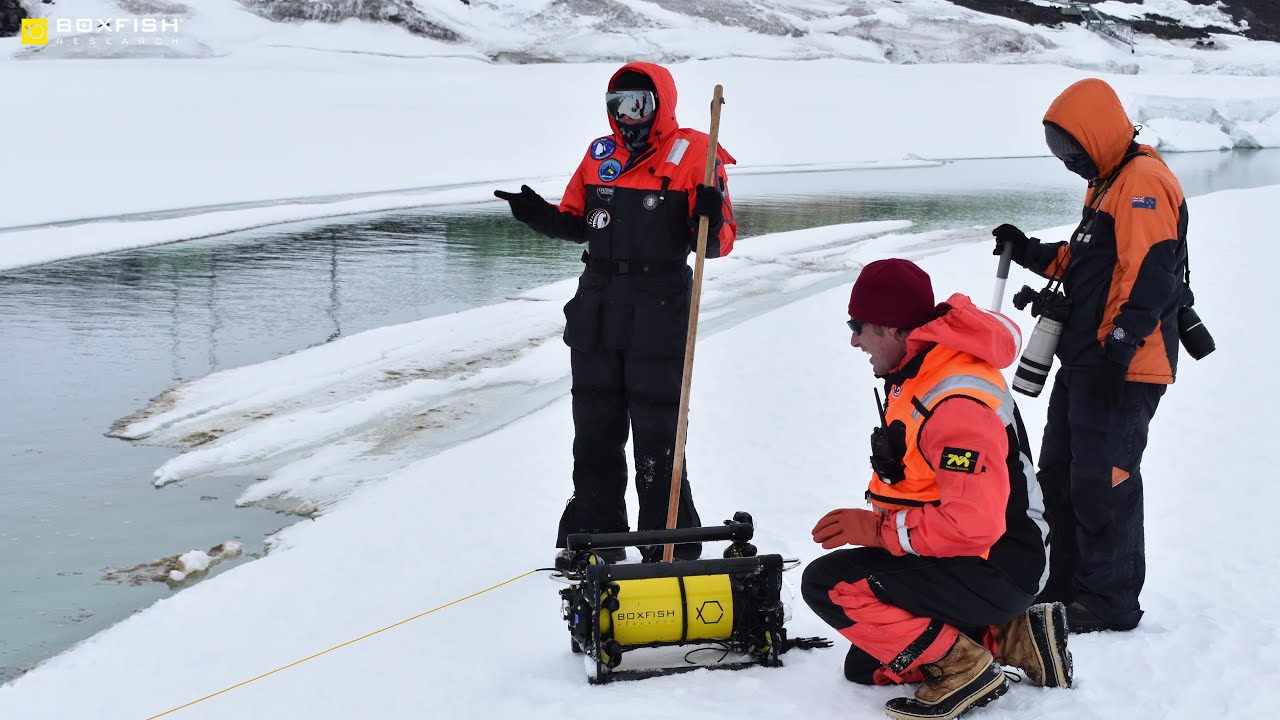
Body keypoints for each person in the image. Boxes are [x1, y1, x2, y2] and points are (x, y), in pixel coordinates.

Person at [801, 259, 1072, 720]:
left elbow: (972, 524)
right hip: (968, 558)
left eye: (857, 326)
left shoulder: (954, 402)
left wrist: (875, 530)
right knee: (867, 665)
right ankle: (1013, 638)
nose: (853, 340)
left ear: (890, 328)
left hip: (1000, 564)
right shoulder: (920, 368)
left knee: (830, 586)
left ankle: (962, 669)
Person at [493, 62, 736, 562]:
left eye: (638, 105)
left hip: (659, 305)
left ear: (659, 105)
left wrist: (706, 212)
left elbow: (719, 244)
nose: (628, 117)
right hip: (599, 304)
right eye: (617, 106)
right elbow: (577, 223)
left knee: (657, 431)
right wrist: (536, 214)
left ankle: (668, 543)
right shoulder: (599, 155)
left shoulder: (695, 155)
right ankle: (597, 540)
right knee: (595, 428)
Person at [991, 78, 1188, 633]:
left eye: (1073, 148)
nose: (1069, 160)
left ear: (1098, 134)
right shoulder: (1106, 183)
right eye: (1061, 150)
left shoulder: (1144, 181)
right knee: (1059, 472)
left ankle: (1110, 599)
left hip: (1121, 364)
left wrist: (1118, 349)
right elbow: (1088, 264)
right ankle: (1065, 584)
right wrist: (1028, 250)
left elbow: (1149, 275)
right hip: (1085, 359)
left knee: (1105, 479)